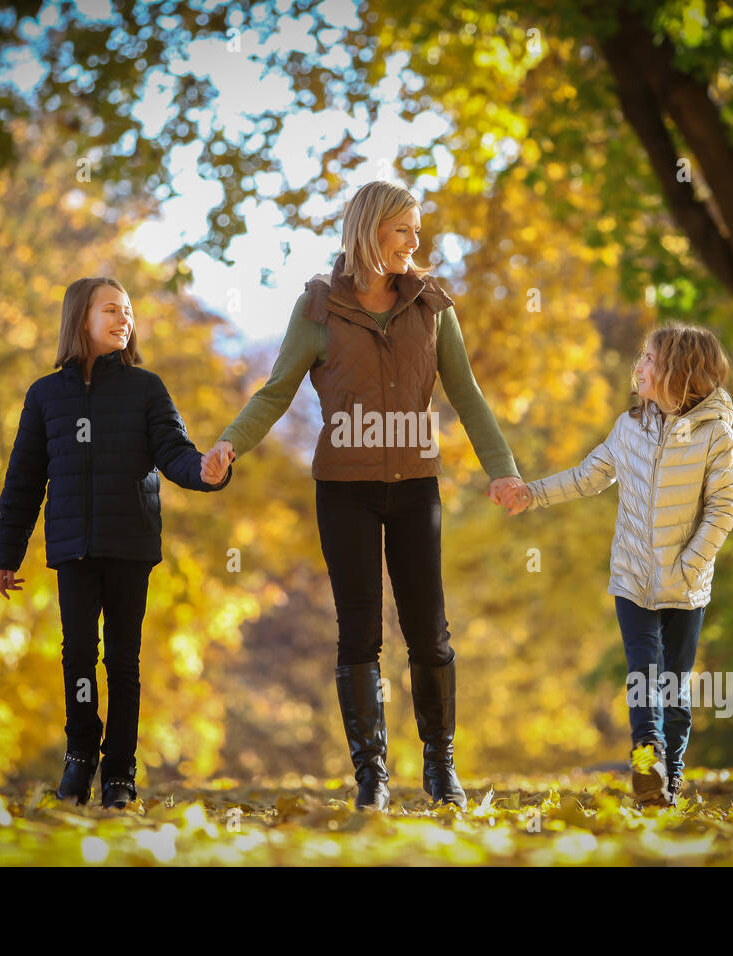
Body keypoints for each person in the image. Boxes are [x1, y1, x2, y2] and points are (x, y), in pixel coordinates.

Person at [200, 181, 527, 810]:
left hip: (415, 490)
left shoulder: (433, 307)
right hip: (344, 493)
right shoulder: (319, 308)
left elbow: (468, 394)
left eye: (417, 231)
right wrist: (229, 443)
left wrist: (502, 469)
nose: (415, 242)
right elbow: (276, 391)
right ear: (371, 229)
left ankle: (440, 766)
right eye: (403, 229)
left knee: (429, 630)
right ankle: (372, 775)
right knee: (359, 634)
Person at [0, 277, 231, 809]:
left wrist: (207, 472)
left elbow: (176, 454)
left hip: (130, 544)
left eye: (128, 311)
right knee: (78, 654)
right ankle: (81, 757)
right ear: (81, 320)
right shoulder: (45, 395)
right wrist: (7, 554)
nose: (124, 320)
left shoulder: (147, 389)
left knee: (123, 660)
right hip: (73, 547)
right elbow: (24, 480)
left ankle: (120, 771)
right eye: (111, 310)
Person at [507, 322, 733, 807]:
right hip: (633, 577)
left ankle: (667, 783)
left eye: (650, 360)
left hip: (686, 584)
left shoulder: (716, 435)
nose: (640, 366)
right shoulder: (629, 426)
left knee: (675, 685)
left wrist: (689, 565)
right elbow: (588, 477)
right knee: (643, 670)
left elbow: (723, 509)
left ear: (682, 371)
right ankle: (645, 757)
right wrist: (532, 494)